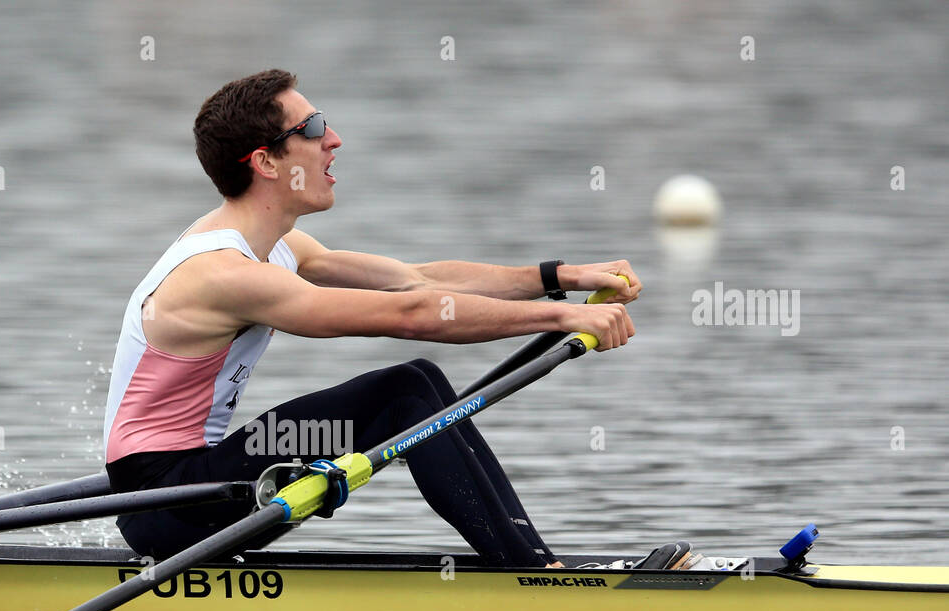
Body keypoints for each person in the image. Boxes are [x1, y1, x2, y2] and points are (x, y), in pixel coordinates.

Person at [103, 68, 639, 568]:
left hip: (201, 477)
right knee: (403, 392)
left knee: (419, 382)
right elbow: (411, 314)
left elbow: (420, 281)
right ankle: (533, 573)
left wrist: (562, 277)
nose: (333, 140)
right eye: (312, 128)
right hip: (167, 502)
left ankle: (530, 559)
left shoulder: (277, 244)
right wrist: (561, 321)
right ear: (266, 162)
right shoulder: (223, 273)